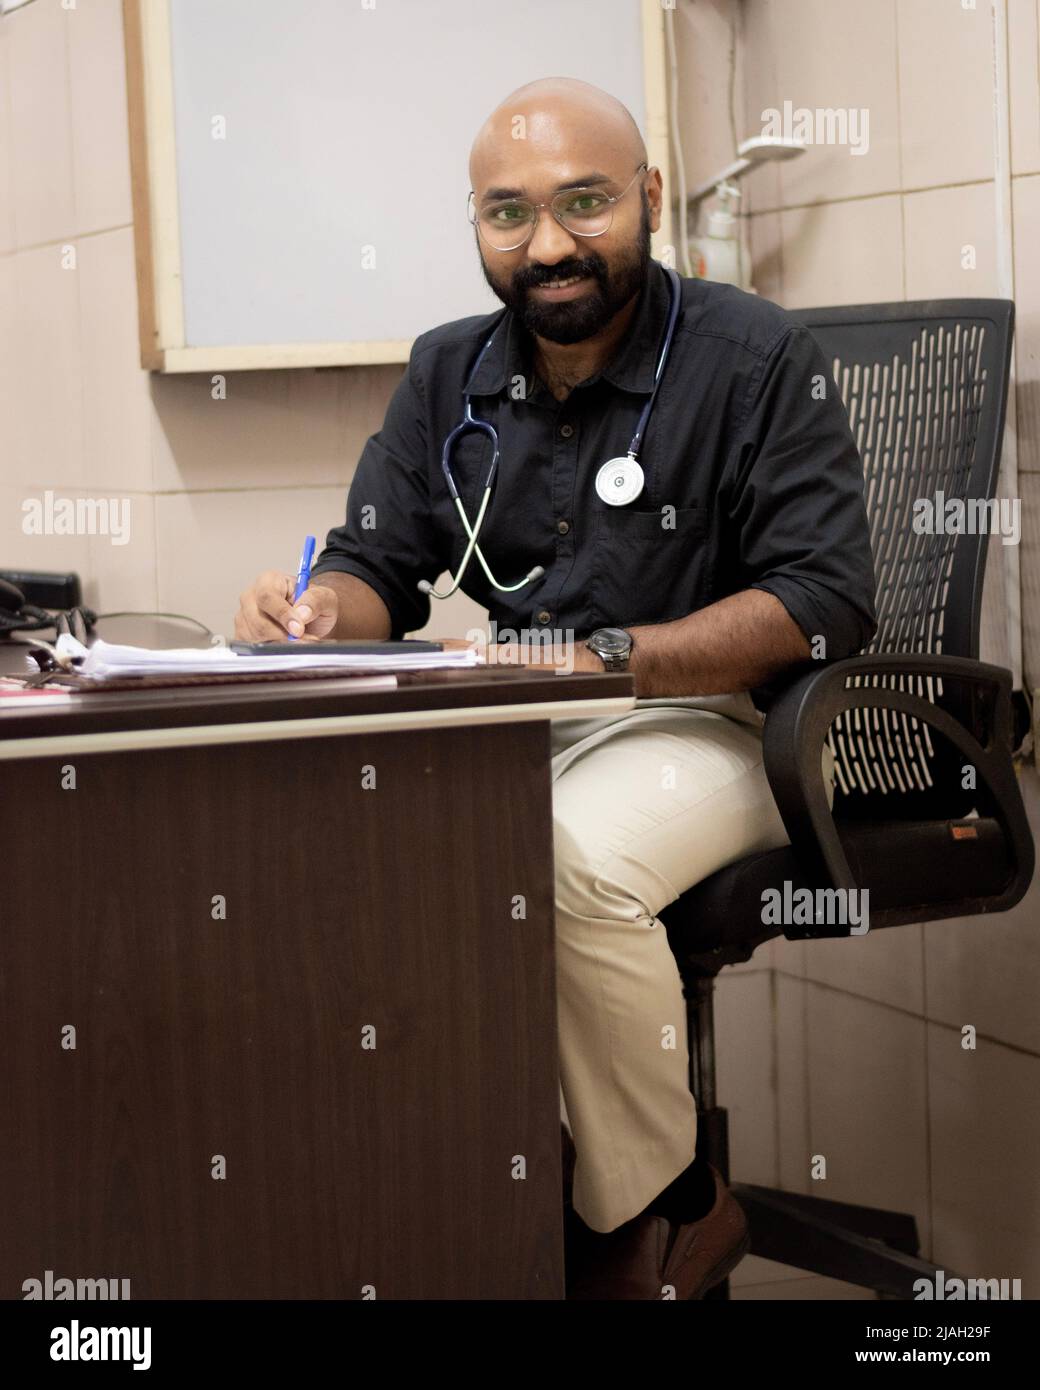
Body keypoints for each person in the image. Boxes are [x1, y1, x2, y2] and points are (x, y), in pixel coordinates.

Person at [235, 76, 877, 1299]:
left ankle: (652, 1218)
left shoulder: (751, 357)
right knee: (359, 835)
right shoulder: (447, 375)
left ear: (643, 200)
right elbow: (378, 562)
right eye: (507, 213)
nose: (547, 245)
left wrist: (604, 658)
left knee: (560, 855)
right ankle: (504, 1190)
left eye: (583, 203)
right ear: (473, 228)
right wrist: (317, 612)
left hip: (731, 721)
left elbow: (818, 604)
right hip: (531, 716)